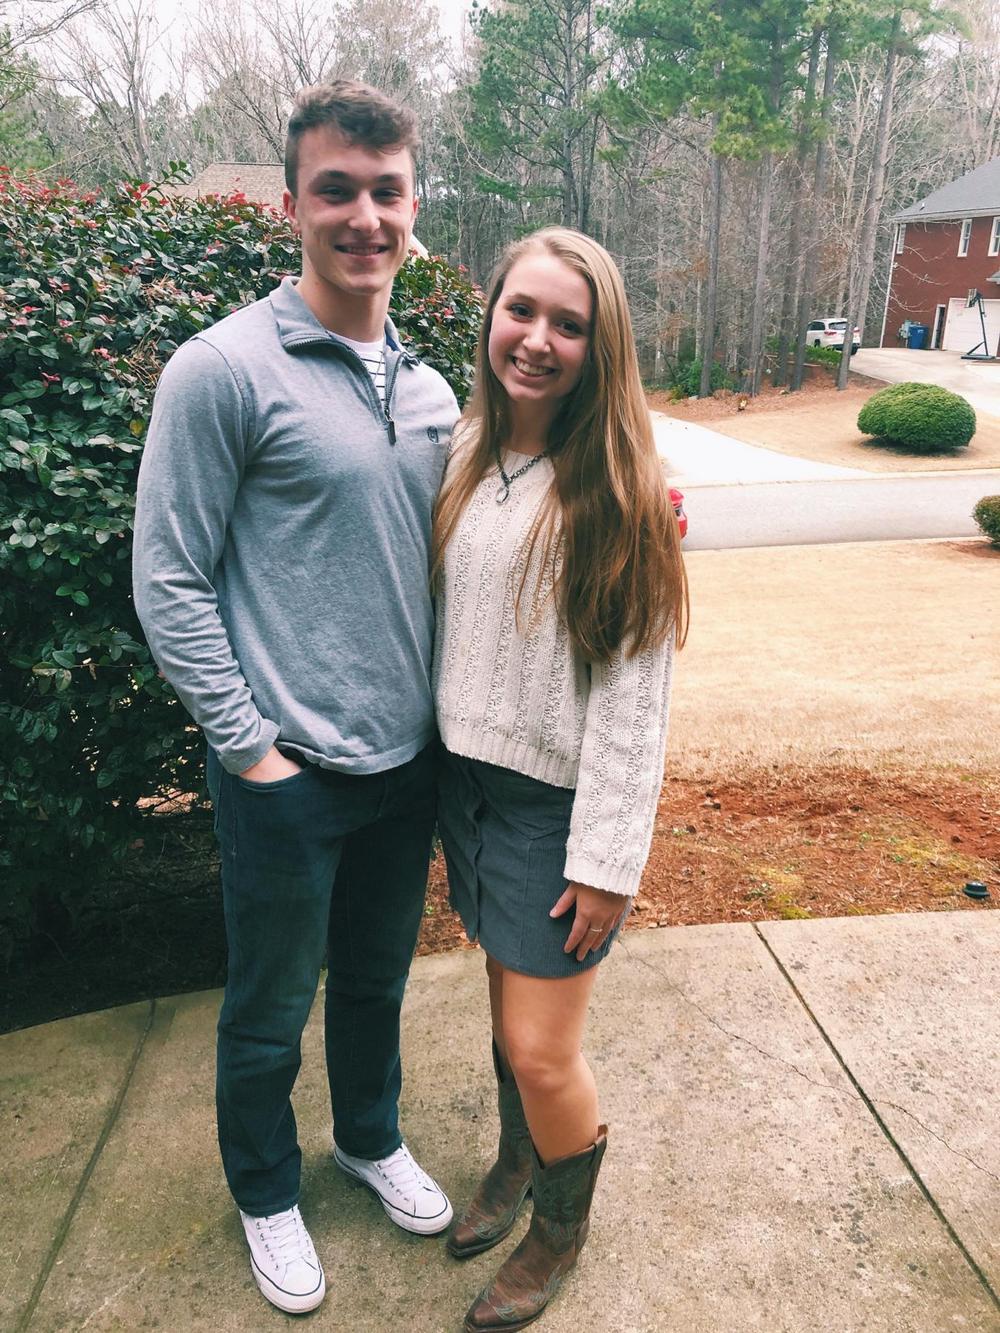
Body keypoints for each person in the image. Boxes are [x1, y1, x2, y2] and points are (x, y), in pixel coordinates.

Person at [132, 81, 459, 1315]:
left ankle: (368, 1139)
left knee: (375, 983)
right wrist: (246, 745)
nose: (364, 216)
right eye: (336, 190)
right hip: (285, 771)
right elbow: (168, 574)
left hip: (405, 765)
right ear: (290, 206)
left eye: (386, 191)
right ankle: (267, 1192)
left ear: (413, 206)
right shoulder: (221, 369)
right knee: (270, 1009)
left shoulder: (431, 389)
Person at [432, 227, 689, 1332]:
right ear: (491, 314)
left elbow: (636, 700)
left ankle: (558, 1230)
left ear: (601, 345)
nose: (536, 339)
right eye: (520, 310)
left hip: (555, 807)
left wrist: (608, 862)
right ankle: (515, 1159)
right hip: (465, 788)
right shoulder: (461, 451)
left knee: (543, 1049)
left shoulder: (622, 494)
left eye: (568, 324)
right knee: (505, 1011)